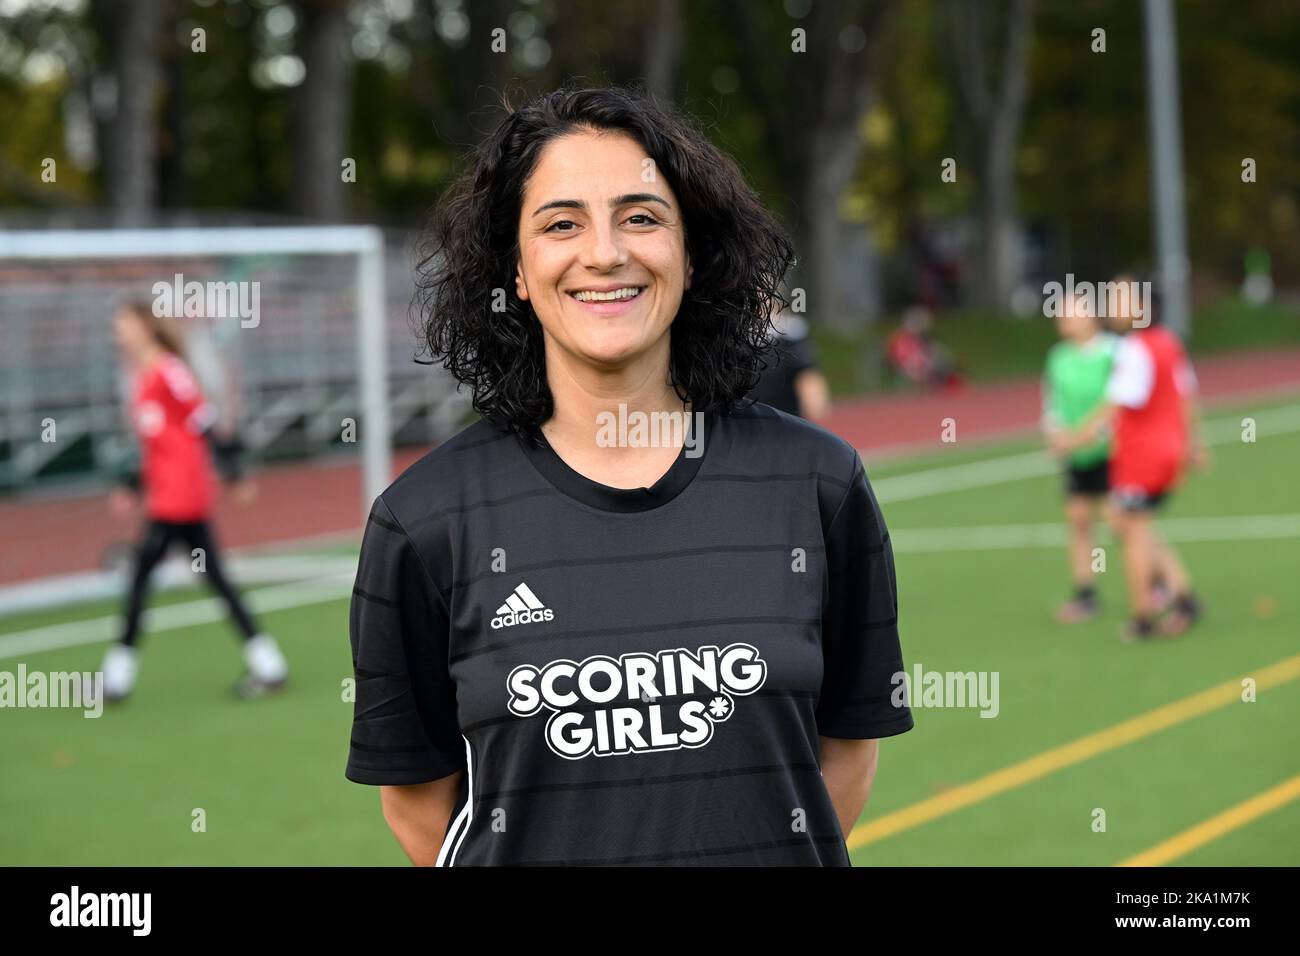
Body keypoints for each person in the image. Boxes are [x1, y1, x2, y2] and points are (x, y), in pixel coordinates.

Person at [344, 86, 913, 867]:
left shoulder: (818, 481)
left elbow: (846, 752)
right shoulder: (425, 520)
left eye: (641, 217)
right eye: (561, 224)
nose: (605, 253)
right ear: (515, 266)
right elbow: (417, 804)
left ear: (691, 251)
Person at [104, 300, 289, 700]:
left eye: (124, 324)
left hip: (180, 495)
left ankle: (116, 678)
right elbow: (159, 445)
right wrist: (134, 486)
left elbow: (202, 420)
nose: (118, 332)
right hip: (168, 492)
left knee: (142, 576)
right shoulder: (144, 375)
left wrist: (234, 472)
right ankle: (269, 663)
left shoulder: (169, 370)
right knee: (213, 578)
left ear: (145, 327)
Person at [1054, 279, 1208, 640]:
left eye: (1120, 300)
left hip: (1143, 457)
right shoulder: (1168, 342)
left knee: (1131, 528)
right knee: (1127, 521)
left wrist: (1075, 438)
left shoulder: (1135, 349)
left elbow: (1116, 404)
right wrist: (1193, 443)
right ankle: (1182, 596)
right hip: (1166, 451)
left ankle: (1143, 616)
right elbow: (1186, 394)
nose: (1112, 306)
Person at [1041, 290, 1119, 622]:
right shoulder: (1058, 357)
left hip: (1112, 453)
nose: (1064, 320)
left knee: (1122, 524)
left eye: (1071, 313)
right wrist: (1057, 434)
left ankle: (1159, 584)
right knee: (1079, 521)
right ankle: (1086, 594)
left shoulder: (1113, 352)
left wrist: (1083, 437)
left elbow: (1117, 405)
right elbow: (1053, 403)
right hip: (1077, 455)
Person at [747, 303, 831, 420]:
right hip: (746, 419)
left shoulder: (790, 333)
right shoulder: (732, 334)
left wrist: (814, 397)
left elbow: (805, 370)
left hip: (783, 416)